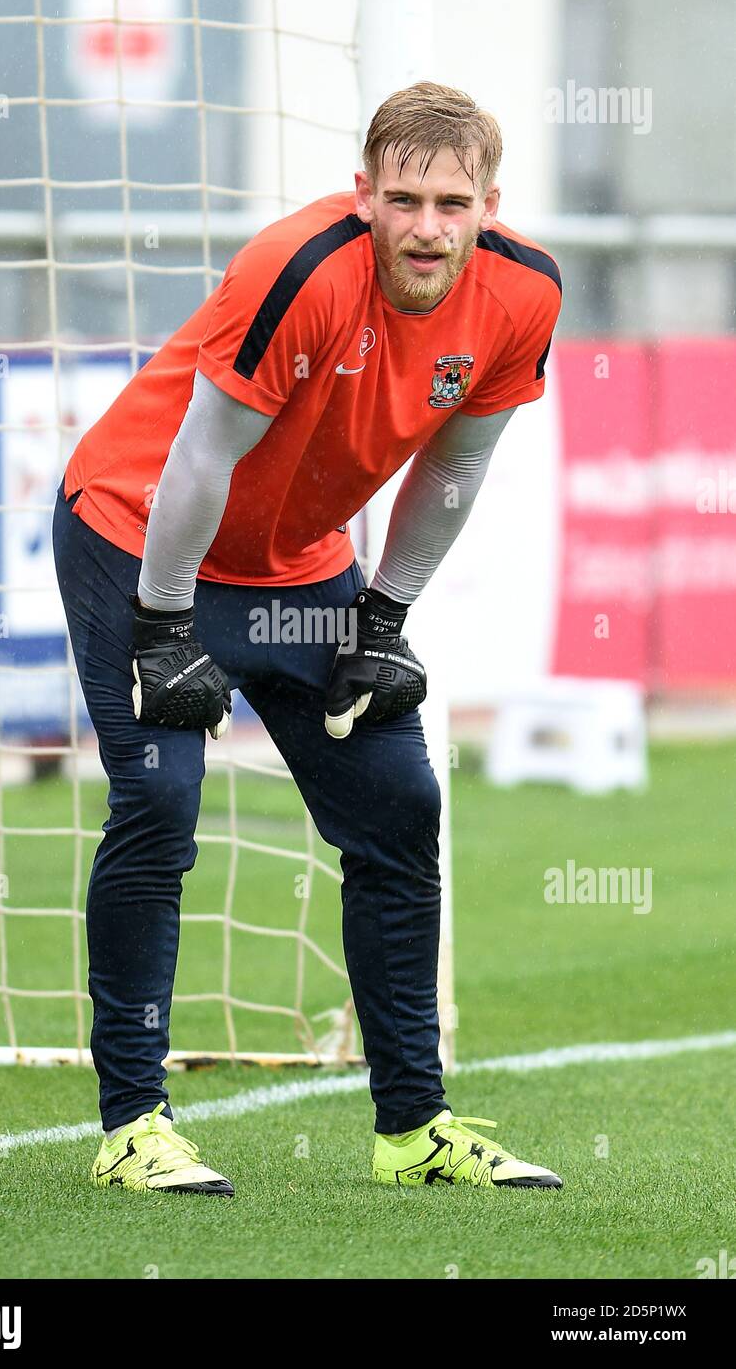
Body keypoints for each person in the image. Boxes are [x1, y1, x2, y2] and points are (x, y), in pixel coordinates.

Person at [52, 81, 564, 1196]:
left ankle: (411, 1130)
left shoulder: (522, 293)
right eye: (403, 198)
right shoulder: (297, 273)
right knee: (160, 801)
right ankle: (133, 1125)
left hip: (300, 565)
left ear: (488, 205)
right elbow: (196, 459)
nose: (426, 226)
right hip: (141, 537)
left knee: (399, 804)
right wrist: (163, 623)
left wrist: (384, 615)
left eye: (451, 202)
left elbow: (456, 464)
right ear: (362, 195)